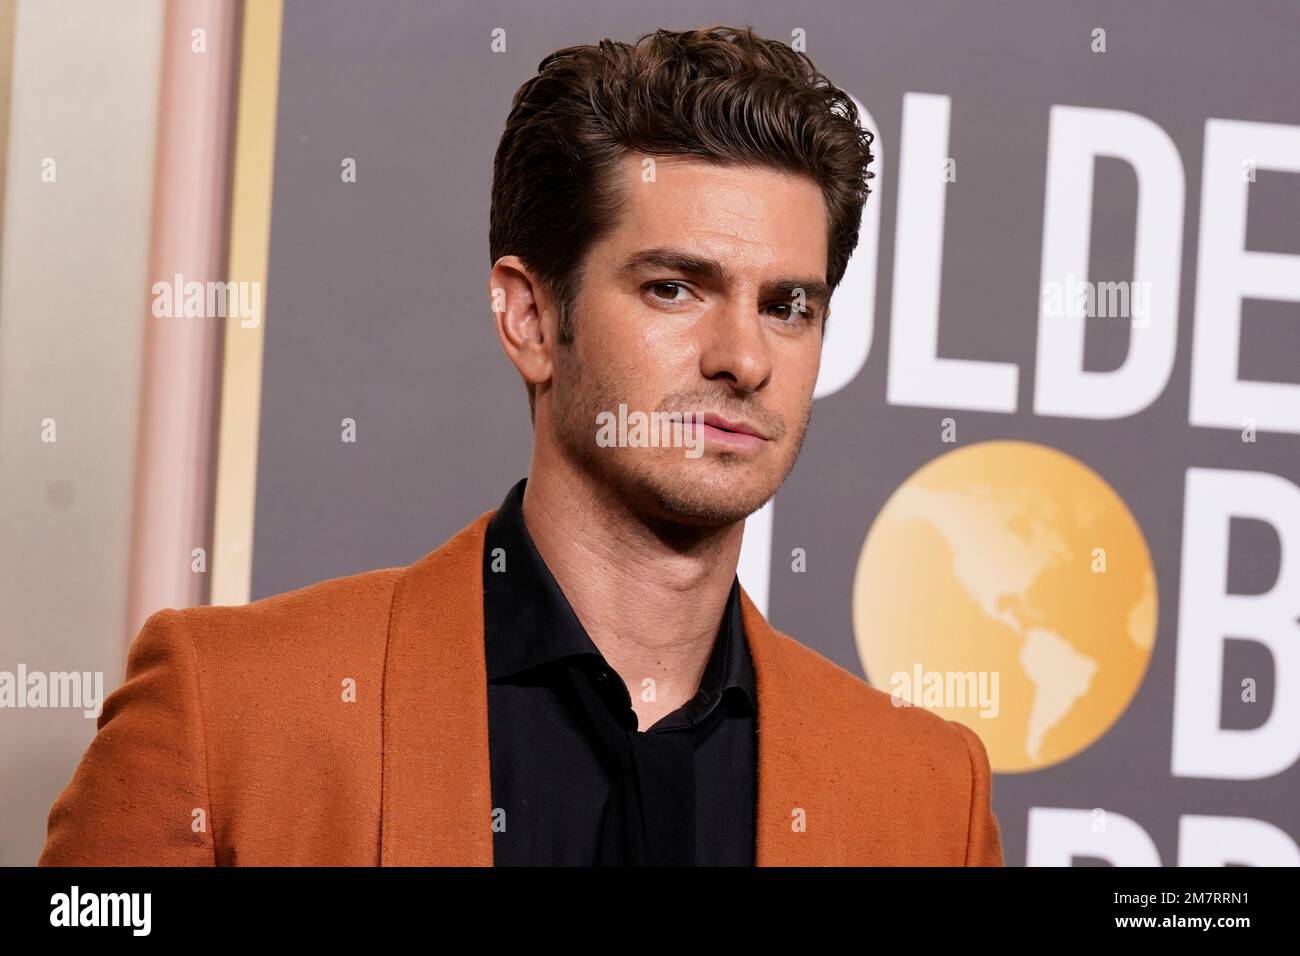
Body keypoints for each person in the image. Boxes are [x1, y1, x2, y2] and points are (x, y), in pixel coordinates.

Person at [39, 24, 1003, 866]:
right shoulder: (231, 713)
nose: (744, 358)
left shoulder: (925, 796)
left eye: (787, 306)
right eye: (674, 287)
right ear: (531, 318)